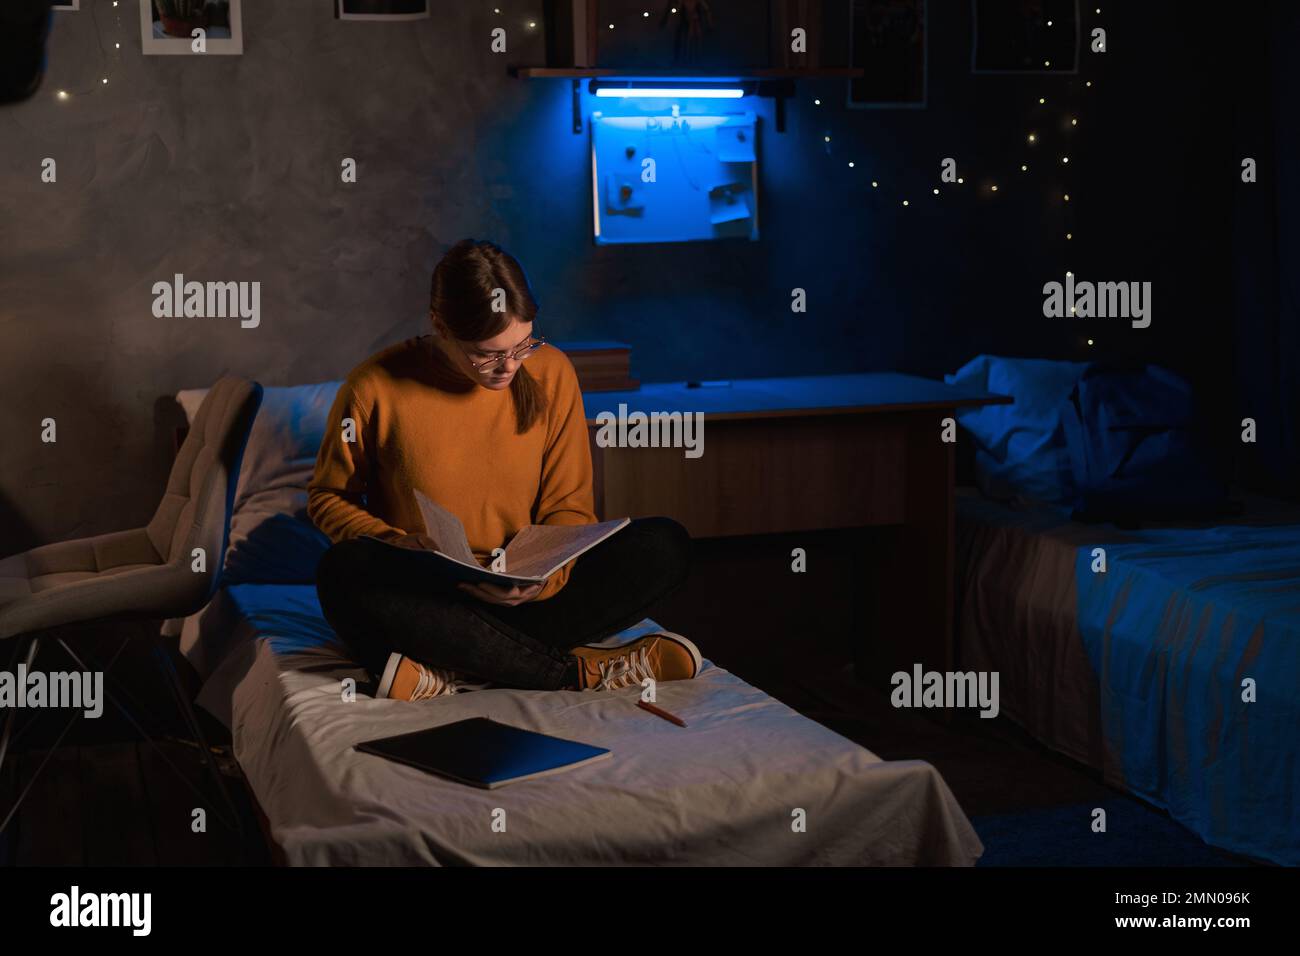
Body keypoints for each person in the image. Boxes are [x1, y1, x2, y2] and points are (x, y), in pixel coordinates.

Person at [307, 239, 701, 700]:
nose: (508, 366)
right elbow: (328, 497)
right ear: (441, 327)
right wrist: (400, 544)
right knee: (342, 571)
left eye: (522, 345)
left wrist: (540, 582)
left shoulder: (552, 371)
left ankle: (456, 665)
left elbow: (568, 505)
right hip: (436, 592)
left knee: (663, 545)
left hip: (530, 595)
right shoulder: (373, 385)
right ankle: (573, 673)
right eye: (488, 354)